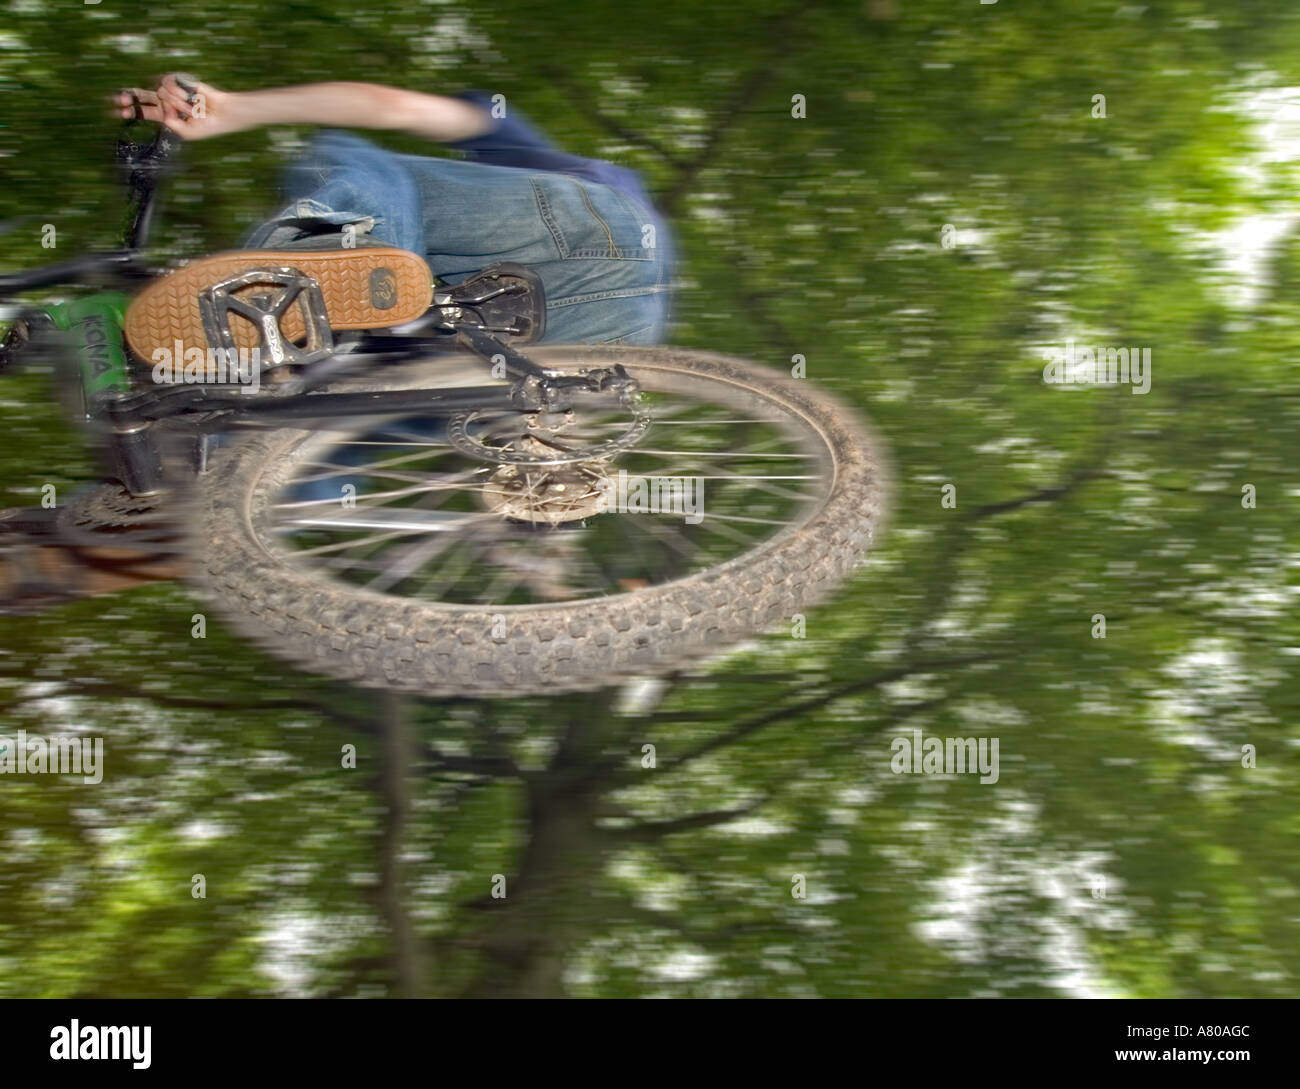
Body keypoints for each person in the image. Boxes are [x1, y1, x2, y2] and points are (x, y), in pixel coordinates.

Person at [113, 75, 673, 353]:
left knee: (354, 156)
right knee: (361, 391)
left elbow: (394, 108)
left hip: (604, 232)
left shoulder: (528, 153)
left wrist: (236, 110)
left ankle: (337, 248)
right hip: (616, 335)